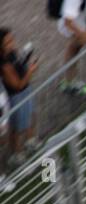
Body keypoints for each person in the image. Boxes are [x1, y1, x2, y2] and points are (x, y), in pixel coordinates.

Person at [0, 28, 38, 162]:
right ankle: (16, 154)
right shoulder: (4, 66)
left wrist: (26, 60)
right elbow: (18, 85)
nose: (12, 43)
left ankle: (30, 142)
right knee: (17, 127)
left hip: (26, 91)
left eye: (12, 39)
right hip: (16, 98)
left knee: (31, 116)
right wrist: (31, 71)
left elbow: (20, 66)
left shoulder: (12, 53)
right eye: (8, 42)